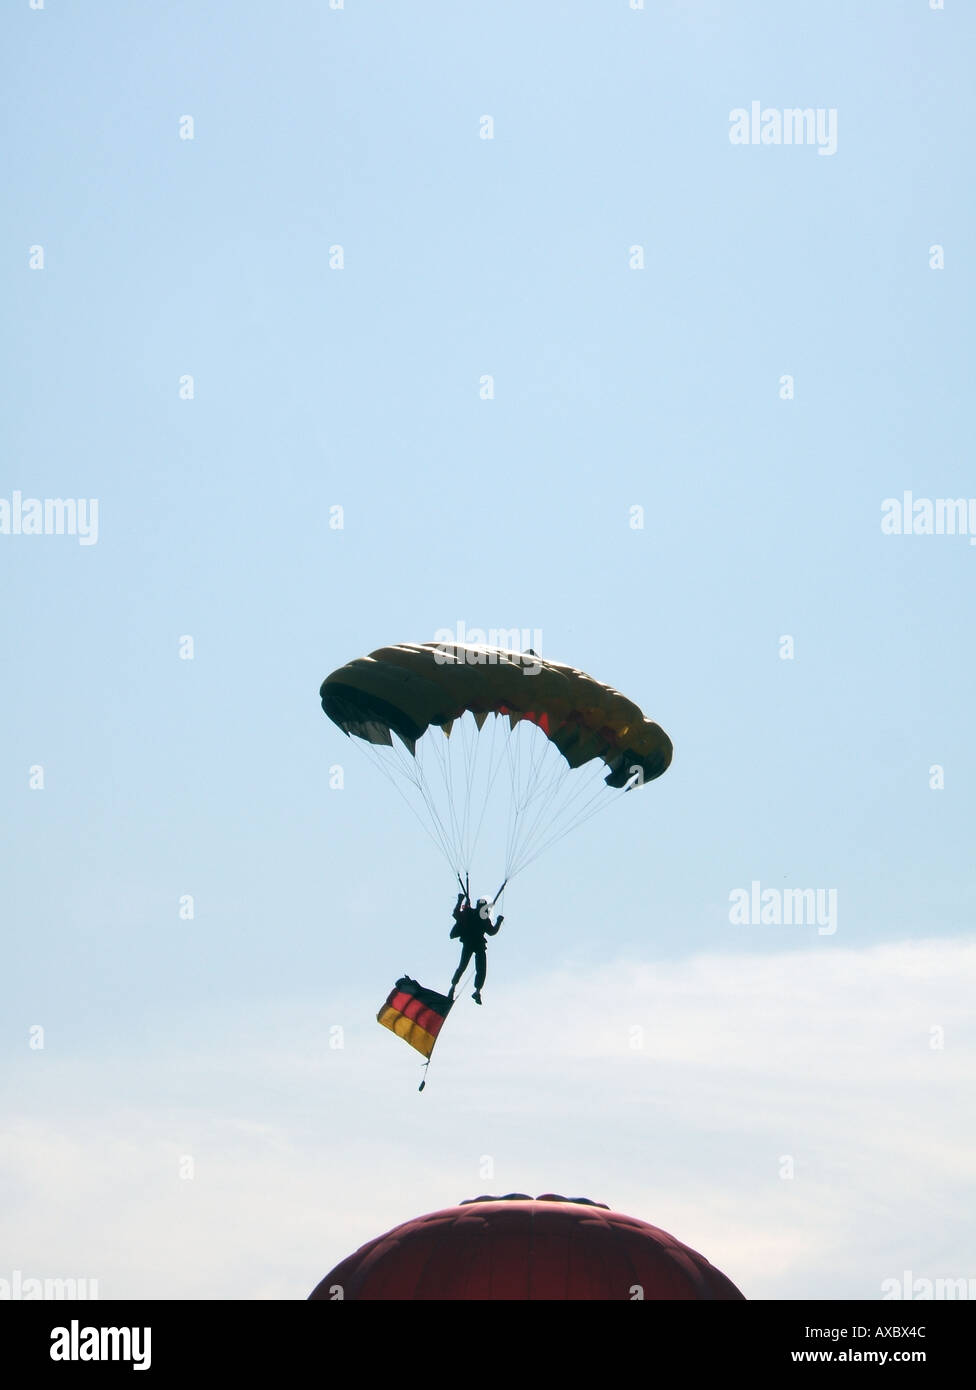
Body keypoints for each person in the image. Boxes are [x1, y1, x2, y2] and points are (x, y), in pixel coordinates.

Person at [448, 893, 503, 1004]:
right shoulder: (470, 913)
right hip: (471, 943)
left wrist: (498, 922)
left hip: (477, 944)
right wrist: (460, 900)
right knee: (464, 966)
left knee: (480, 969)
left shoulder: (482, 918)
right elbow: (457, 914)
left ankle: (476, 991)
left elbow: (491, 932)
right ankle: (453, 987)